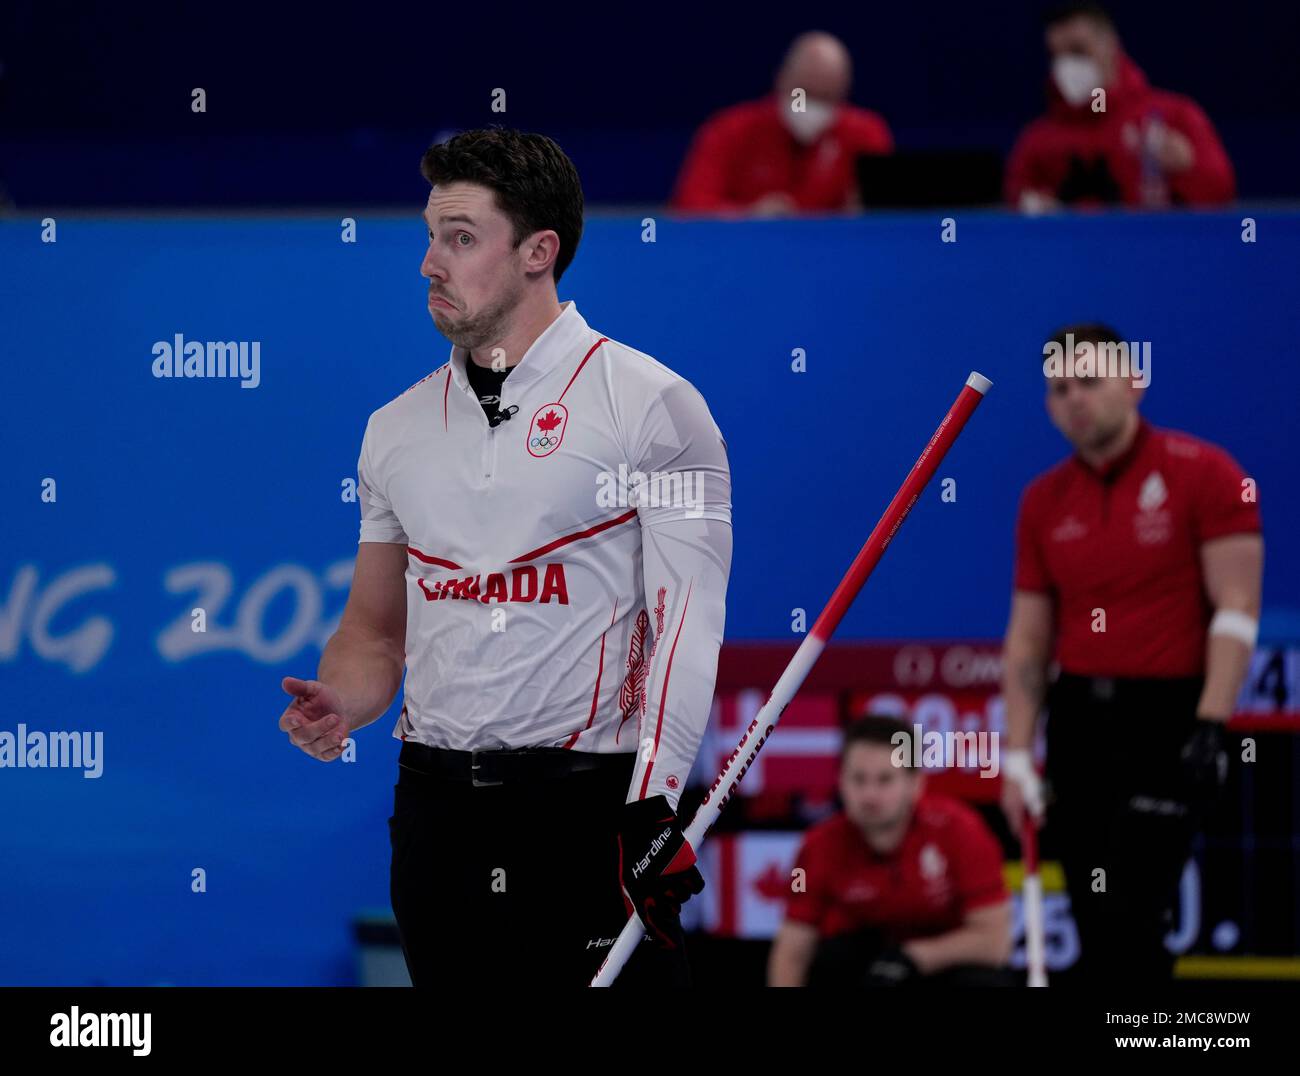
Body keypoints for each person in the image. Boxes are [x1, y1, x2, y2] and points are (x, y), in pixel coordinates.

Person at [277, 127, 733, 987]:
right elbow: (375, 633)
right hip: (435, 813)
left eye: (460, 237)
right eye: (429, 235)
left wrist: (657, 805)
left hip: (589, 810)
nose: (428, 263)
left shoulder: (656, 407)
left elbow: (687, 628)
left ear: (538, 252)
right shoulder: (393, 429)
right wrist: (342, 699)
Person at [1000, 322, 1263, 982]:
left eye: (1090, 381)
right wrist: (1015, 754)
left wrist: (1210, 724)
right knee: (1094, 916)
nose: (1075, 399)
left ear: (1134, 381)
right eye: (1060, 388)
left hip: (1168, 721)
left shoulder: (1207, 473)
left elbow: (1238, 608)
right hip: (1082, 724)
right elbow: (1029, 640)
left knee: (1134, 910)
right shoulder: (1043, 501)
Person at [768, 715, 1013, 987]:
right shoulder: (816, 848)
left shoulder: (961, 831)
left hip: (941, 967)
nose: (870, 794)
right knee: (832, 959)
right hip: (863, 969)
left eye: (885, 780)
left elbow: (995, 942)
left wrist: (910, 957)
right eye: (858, 779)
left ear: (915, 783)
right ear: (841, 782)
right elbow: (792, 950)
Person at [1005, 2, 1234, 211]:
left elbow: (1221, 195)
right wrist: (1033, 204)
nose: (1067, 65)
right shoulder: (1036, 139)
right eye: (1057, 56)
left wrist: (1187, 168)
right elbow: (1015, 203)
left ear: (1110, 45)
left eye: (1078, 51)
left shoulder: (1174, 116)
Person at [671, 30, 892, 215]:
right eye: (803, 93)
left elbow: (890, 217)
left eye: (824, 97)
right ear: (781, 79)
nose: (808, 105)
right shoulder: (731, 130)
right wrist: (749, 214)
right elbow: (690, 208)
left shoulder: (865, 133)